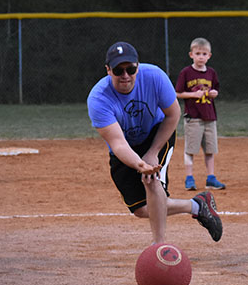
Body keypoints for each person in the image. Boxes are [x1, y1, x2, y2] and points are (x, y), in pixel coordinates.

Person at [87, 41, 223, 245]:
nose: (125, 75)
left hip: (157, 132)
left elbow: (173, 114)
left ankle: (158, 246)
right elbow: (118, 144)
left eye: (131, 69)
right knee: (141, 210)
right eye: (118, 70)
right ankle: (197, 206)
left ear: (137, 67)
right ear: (108, 70)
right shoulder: (99, 99)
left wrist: (152, 153)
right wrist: (140, 163)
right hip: (126, 146)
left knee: (152, 181)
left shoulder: (154, 77)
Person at [175, 36, 225, 191]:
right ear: (191, 55)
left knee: (210, 149)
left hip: (209, 116)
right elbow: (177, 93)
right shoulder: (186, 72)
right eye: (198, 53)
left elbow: (215, 89)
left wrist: (214, 93)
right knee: (191, 149)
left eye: (204, 54)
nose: (201, 57)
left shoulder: (211, 73)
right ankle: (189, 178)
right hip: (193, 117)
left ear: (209, 56)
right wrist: (192, 95)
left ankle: (211, 178)